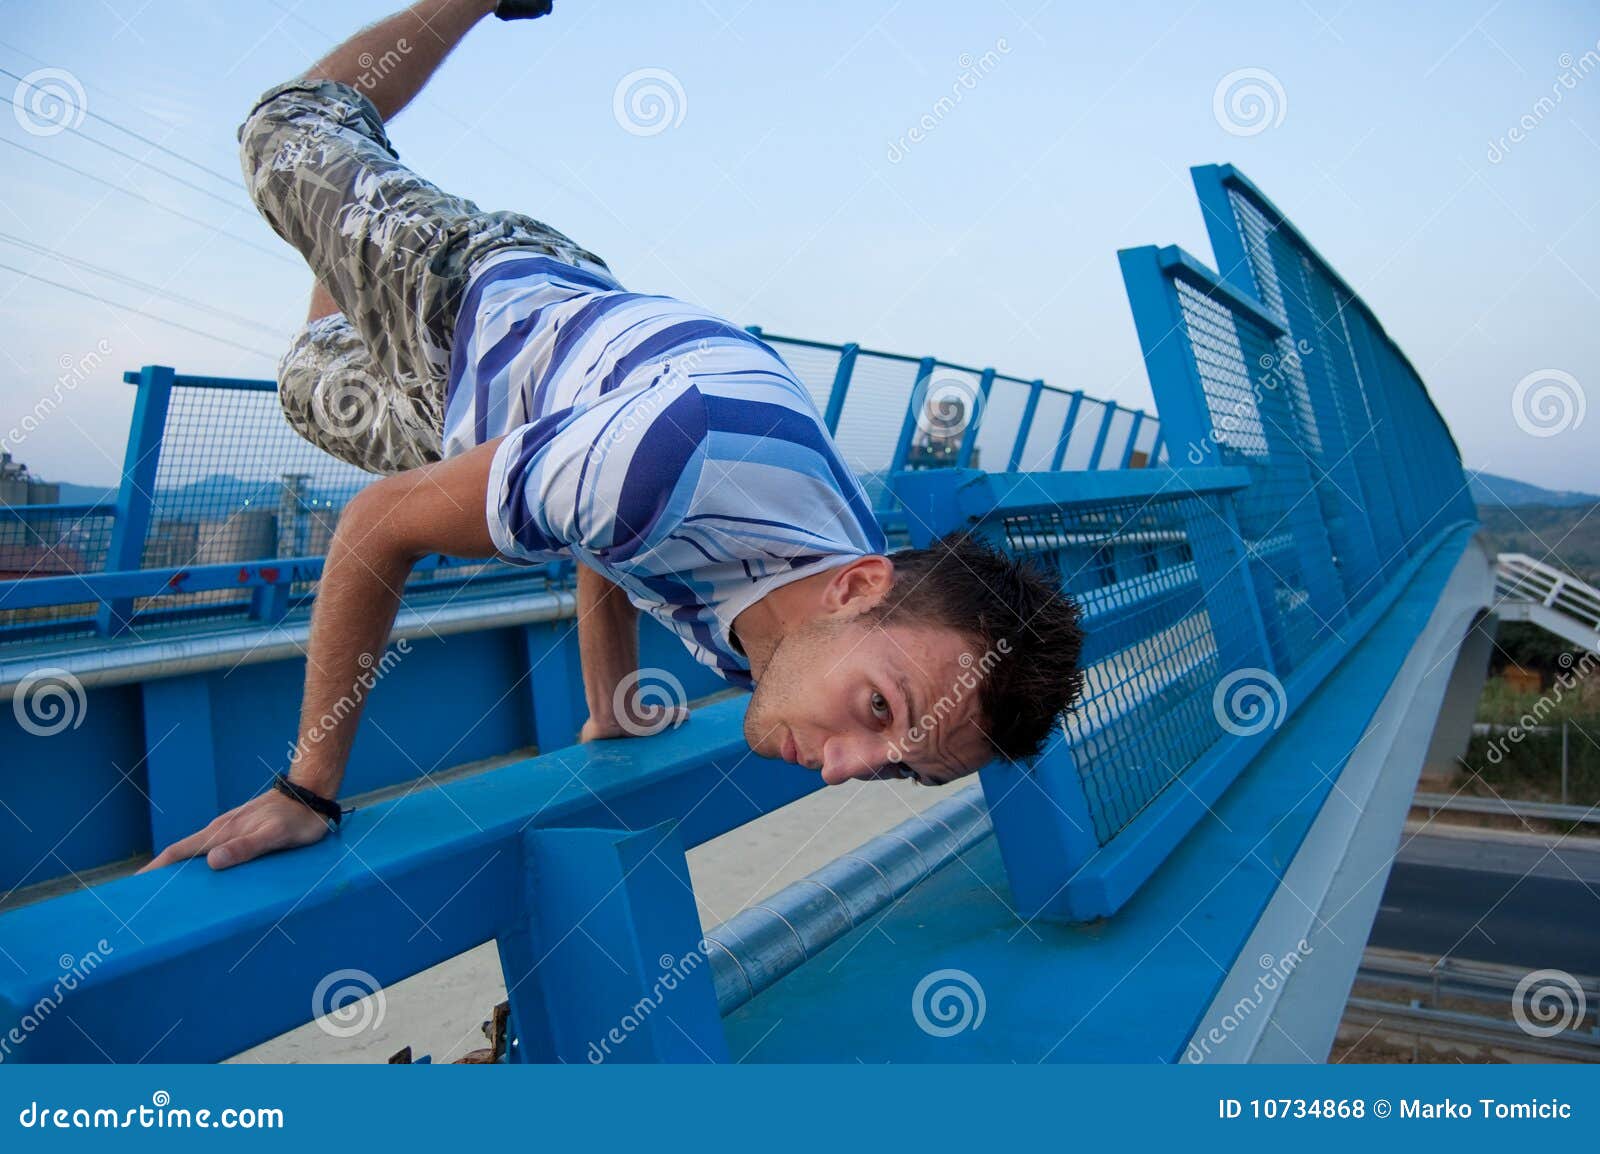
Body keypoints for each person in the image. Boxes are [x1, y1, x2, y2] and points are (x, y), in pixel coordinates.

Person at [143, 0, 1083, 874]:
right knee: (284, 135)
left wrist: (612, 702)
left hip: (500, 418)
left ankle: (341, 245)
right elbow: (377, 527)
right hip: (483, 300)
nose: (845, 766)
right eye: (882, 711)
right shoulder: (673, 461)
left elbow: (620, 540)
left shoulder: (794, 639)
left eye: (895, 769)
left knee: (308, 384)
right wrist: (308, 790)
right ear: (857, 584)